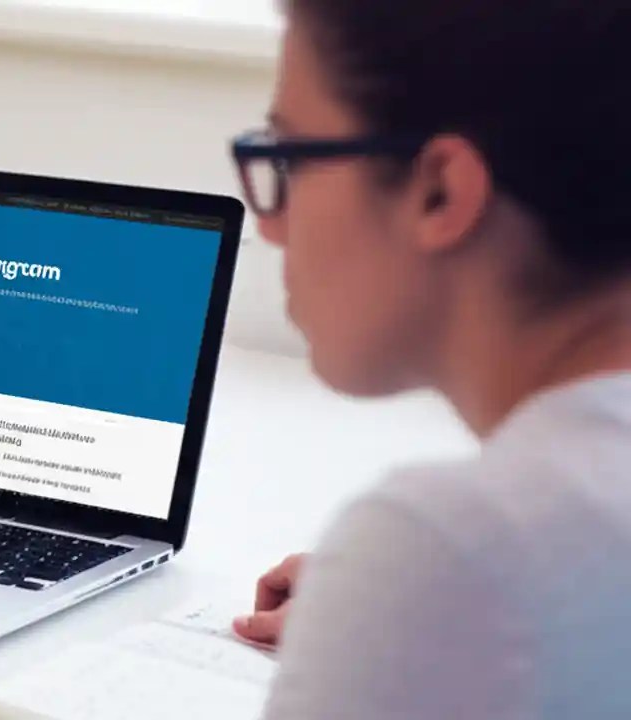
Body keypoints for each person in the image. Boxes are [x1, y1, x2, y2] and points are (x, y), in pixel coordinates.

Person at [226, 0, 631, 717]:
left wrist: (413, 596)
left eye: (288, 158)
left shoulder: (462, 548)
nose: (270, 222)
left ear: (439, 190)